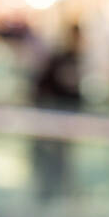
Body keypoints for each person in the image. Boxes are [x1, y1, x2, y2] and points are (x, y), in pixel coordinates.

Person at [30, 24, 83, 202]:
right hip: (55, 114)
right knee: (53, 153)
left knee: (61, 154)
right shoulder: (62, 57)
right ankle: (52, 188)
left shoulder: (74, 57)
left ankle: (57, 188)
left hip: (64, 115)